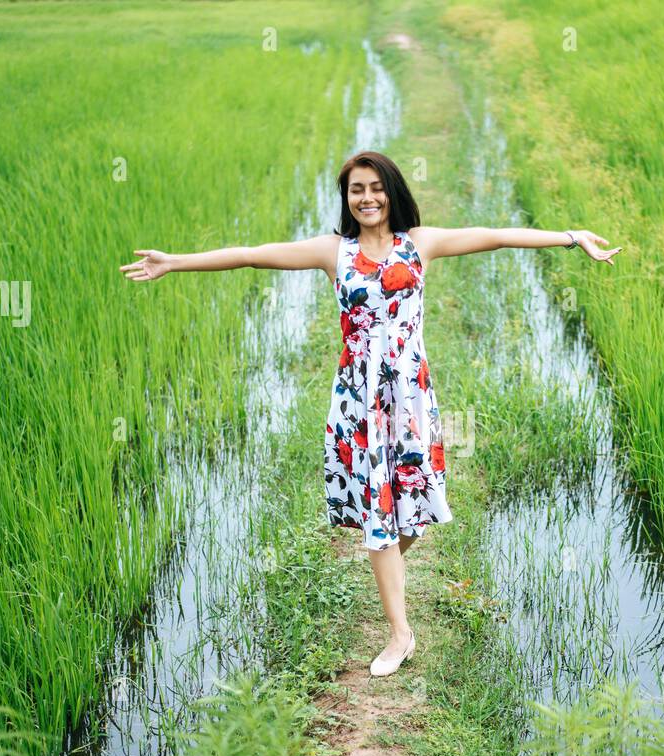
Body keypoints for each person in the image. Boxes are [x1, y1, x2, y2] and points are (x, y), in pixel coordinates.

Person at [121, 150, 621, 677]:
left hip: (410, 395)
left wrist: (571, 237)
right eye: (356, 190)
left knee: (416, 506)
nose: (366, 198)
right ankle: (400, 634)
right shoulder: (332, 251)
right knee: (381, 517)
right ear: (347, 198)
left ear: (392, 192)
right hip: (360, 400)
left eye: (375, 188)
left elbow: (495, 233)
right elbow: (251, 253)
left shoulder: (420, 244)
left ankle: (389, 569)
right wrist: (174, 262)